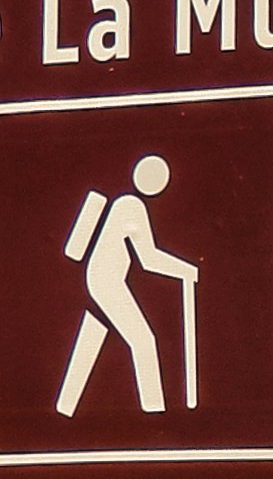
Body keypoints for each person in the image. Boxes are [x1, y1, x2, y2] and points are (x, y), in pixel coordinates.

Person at [56, 153, 198, 418]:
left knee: (92, 337)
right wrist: (184, 270)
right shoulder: (131, 206)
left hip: (100, 279)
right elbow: (148, 258)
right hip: (106, 283)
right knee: (143, 340)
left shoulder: (123, 203)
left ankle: (63, 409)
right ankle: (155, 413)